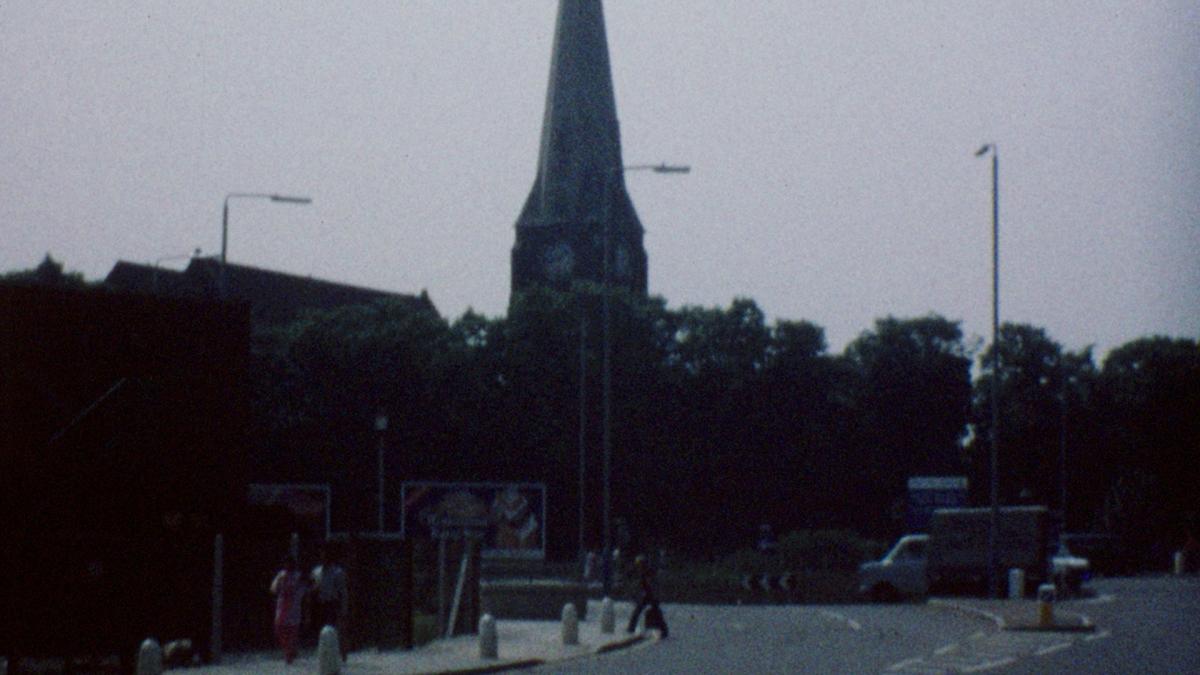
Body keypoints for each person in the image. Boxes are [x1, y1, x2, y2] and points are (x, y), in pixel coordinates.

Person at [310, 544, 350, 661]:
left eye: (325, 556)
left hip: (333, 604)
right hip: (320, 604)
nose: (323, 558)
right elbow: (313, 587)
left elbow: (342, 591)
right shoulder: (316, 571)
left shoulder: (337, 572)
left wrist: (343, 608)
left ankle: (342, 654)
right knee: (322, 632)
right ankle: (325, 656)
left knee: (336, 631)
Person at [270, 555, 307, 664]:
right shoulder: (281, 575)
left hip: (294, 608)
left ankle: (289, 655)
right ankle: (289, 650)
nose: (287, 566)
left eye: (289, 564)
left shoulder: (299, 576)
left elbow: (307, 587)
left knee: (292, 632)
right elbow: (273, 589)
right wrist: (279, 583)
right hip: (282, 607)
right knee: (279, 629)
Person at [626, 554, 668, 637]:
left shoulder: (648, 572)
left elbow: (651, 584)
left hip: (651, 594)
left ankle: (664, 630)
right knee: (639, 611)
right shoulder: (644, 572)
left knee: (654, 612)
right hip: (647, 594)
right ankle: (631, 627)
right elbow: (641, 584)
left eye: (639, 564)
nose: (638, 566)